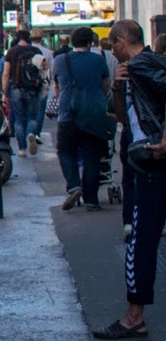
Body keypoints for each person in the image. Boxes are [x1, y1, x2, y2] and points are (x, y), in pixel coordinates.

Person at [93, 19, 166, 339]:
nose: (111, 52)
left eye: (111, 45)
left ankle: (134, 317)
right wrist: (120, 86)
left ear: (122, 41)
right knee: (143, 237)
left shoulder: (144, 63)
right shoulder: (132, 69)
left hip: (154, 161)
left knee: (141, 239)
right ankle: (134, 316)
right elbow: (119, 115)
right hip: (145, 160)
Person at [52, 27, 112, 211]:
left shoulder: (61, 60)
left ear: (71, 42)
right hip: (93, 114)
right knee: (92, 156)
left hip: (68, 113)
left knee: (65, 151)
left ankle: (73, 185)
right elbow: (106, 86)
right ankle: (92, 200)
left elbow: (56, 86)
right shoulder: (98, 60)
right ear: (90, 43)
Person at [3, 29, 44, 157]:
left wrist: (4, 92)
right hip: (33, 88)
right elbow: (43, 69)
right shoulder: (36, 51)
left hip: (16, 88)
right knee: (32, 116)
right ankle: (31, 133)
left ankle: (22, 148)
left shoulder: (12, 52)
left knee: (19, 120)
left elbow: (6, 73)